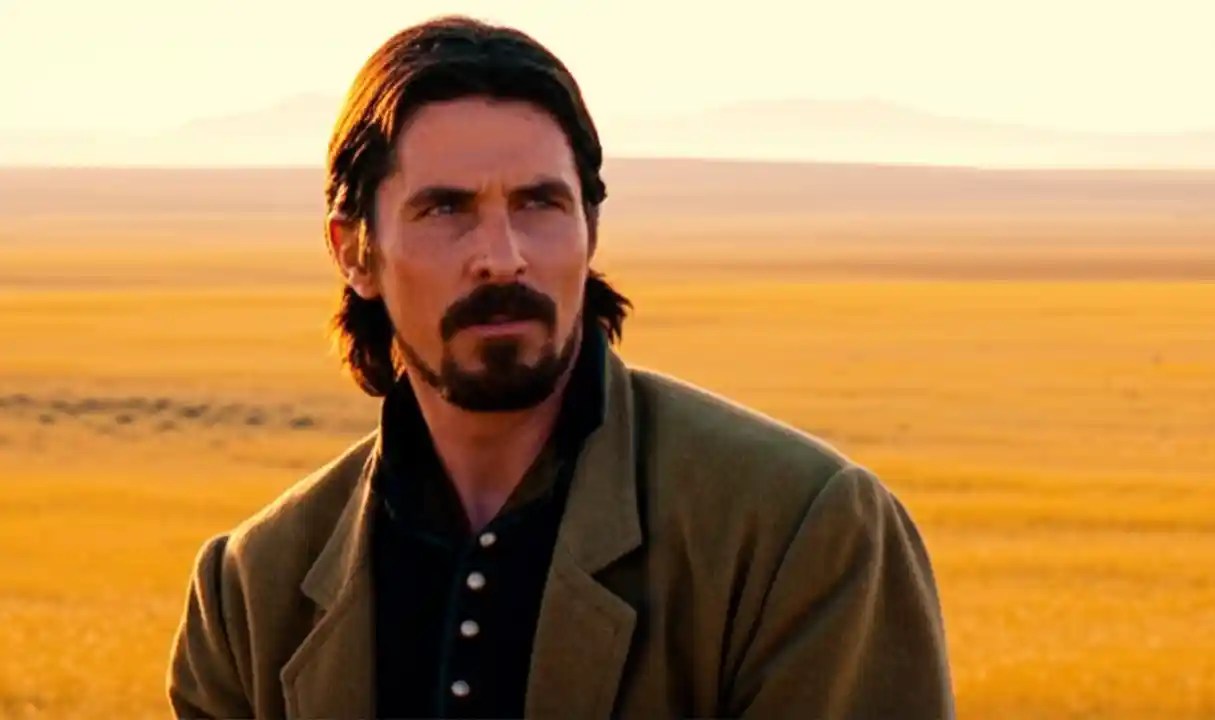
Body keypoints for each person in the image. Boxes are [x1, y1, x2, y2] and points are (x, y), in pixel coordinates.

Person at [166, 14, 954, 719]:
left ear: (591, 227)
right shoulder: (250, 596)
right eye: (446, 209)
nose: (502, 259)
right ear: (353, 252)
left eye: (540, 203)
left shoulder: (796, 531)